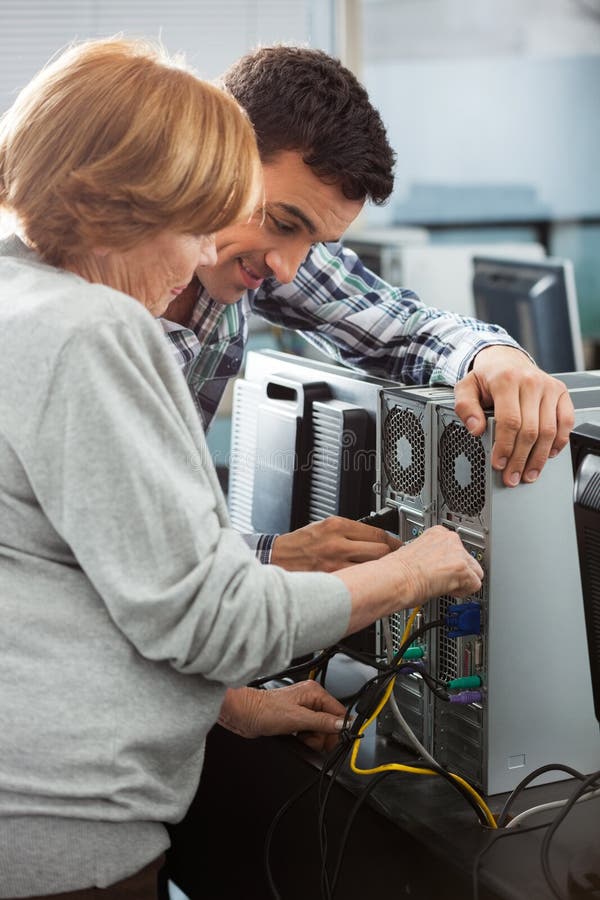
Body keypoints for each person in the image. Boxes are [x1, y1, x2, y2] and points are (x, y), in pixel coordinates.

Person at [0, 37, 483, 899]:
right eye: (196, 221)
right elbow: (208, 617)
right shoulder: (92, 330)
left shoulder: (19, 298)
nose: (198, 261)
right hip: (59, 827)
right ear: (119, 195)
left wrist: (232, 702)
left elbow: (65, 579)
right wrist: (413, 572)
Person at [162, 44, 575, 572]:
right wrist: (277, 558)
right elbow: (117, 549)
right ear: (214, 152)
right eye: (284, 224)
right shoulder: (88, 299)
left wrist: (492, 357)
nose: (288, 269)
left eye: (313, 243)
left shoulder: (247, 247)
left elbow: (397, 328)